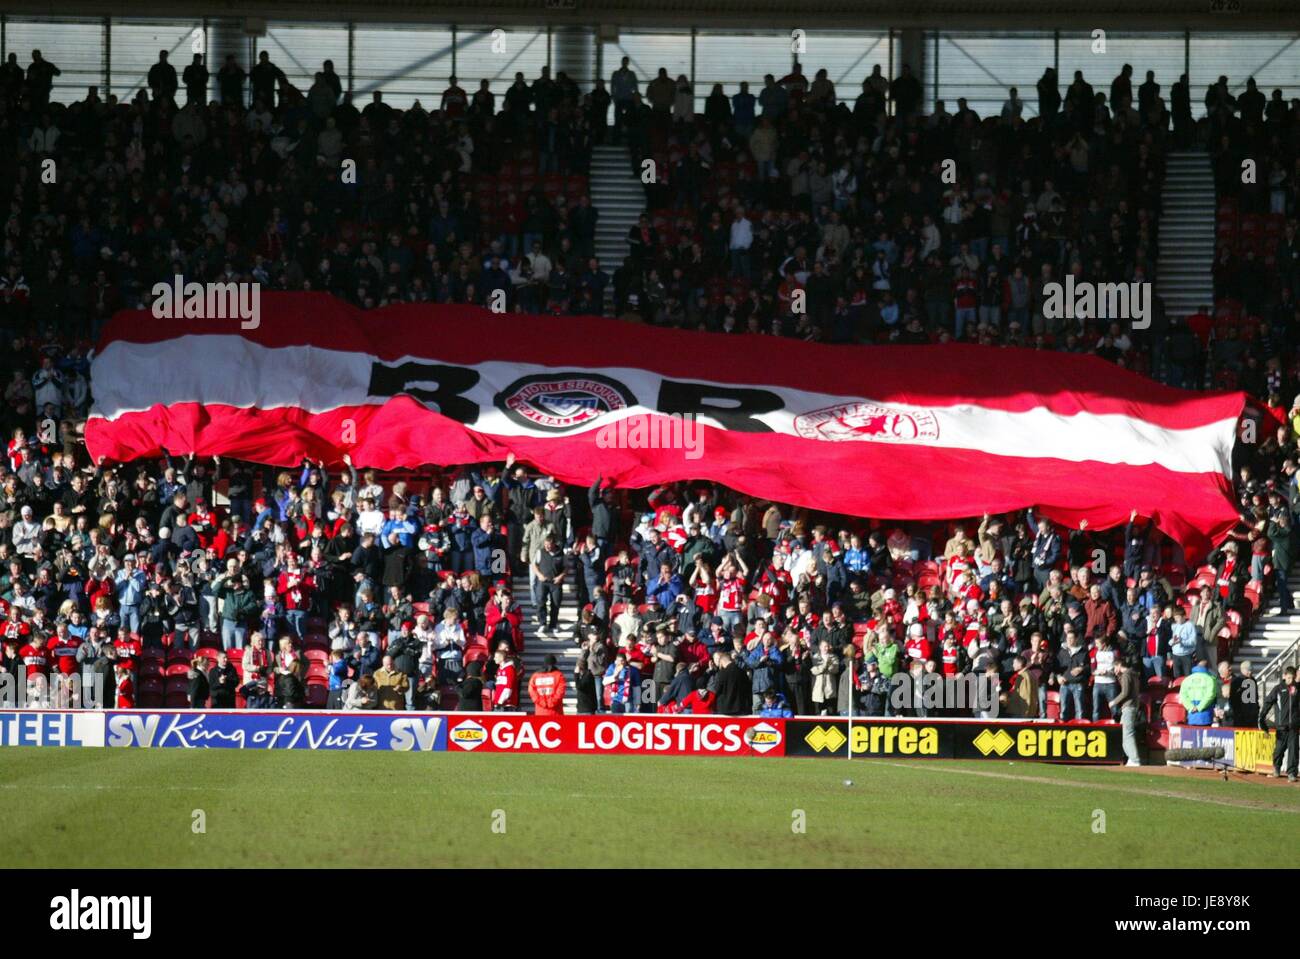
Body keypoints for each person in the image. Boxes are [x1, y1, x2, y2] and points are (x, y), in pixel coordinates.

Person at [1259, 665, 1300, 781]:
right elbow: (1268, 702)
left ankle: (1291, 773)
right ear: (1284, 676)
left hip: (1293, 727)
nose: (1290, 681)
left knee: (1293, 751)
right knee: (1278, 750)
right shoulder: (1278, 689)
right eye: (1288, 678)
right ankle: (1276, 767)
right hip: (1281, 727)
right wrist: (1262, 717)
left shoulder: (1297, 689)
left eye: (1292, 678)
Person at [1109, 660, 1143, 766]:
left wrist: (1113, 702)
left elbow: (1125, 692)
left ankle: (1135, 759)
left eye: (1115, 667)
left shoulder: (1126, 675)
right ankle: (1131, 758)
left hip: (1128, 707)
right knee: (1125, 733)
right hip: (1133, 705)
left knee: (1128, 733)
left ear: (1119, 665)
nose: (1114, 670)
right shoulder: (1133, 674)